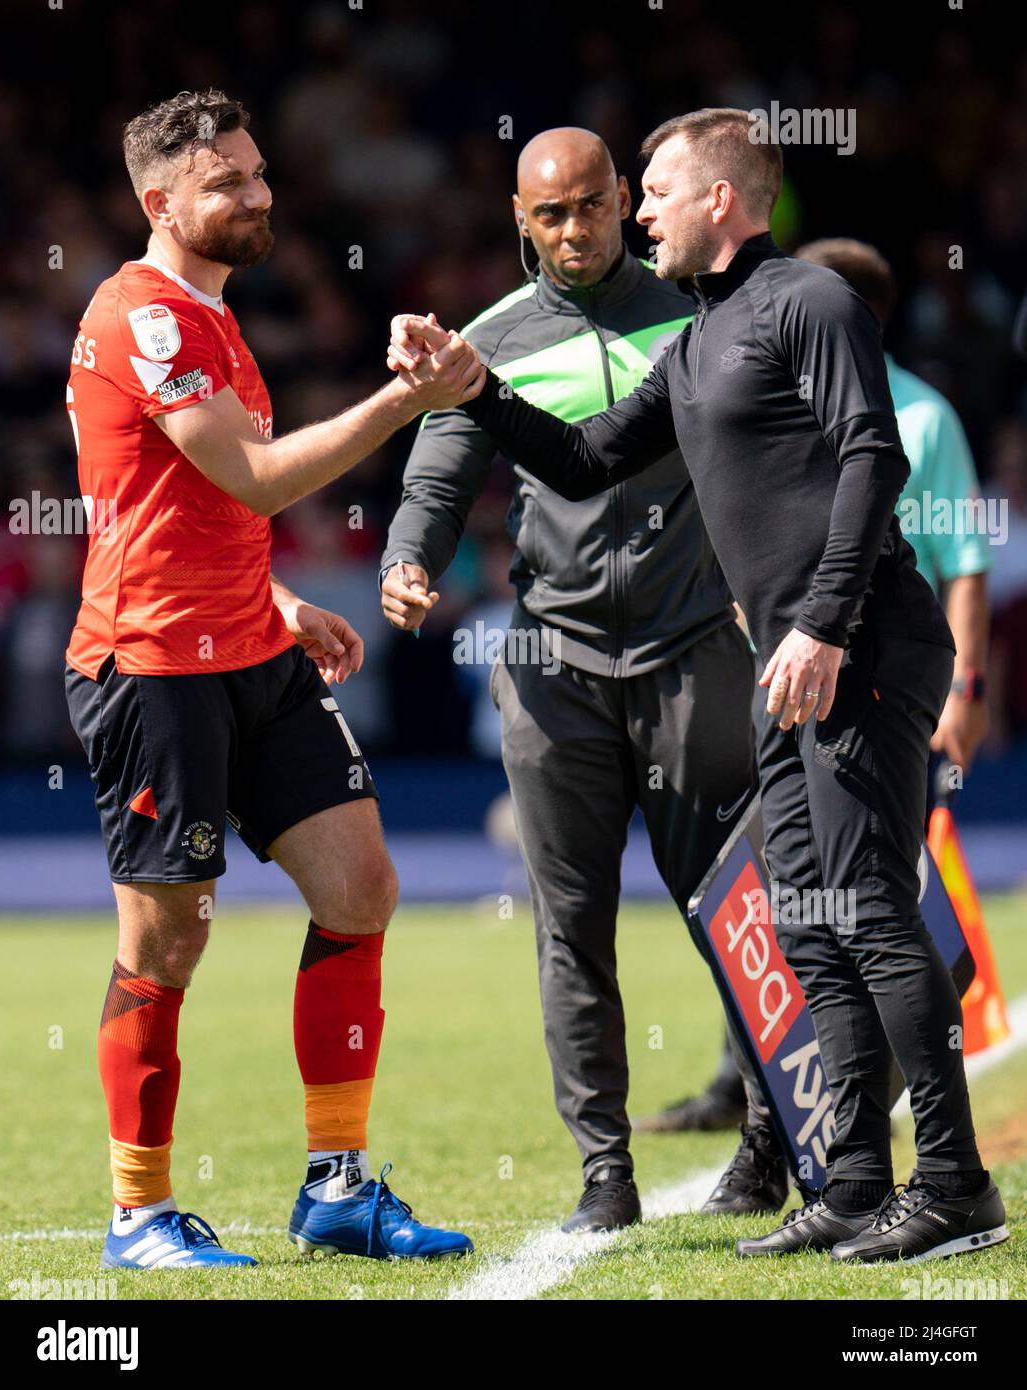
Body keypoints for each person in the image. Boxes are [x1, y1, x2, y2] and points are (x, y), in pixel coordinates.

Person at [387, 108, 1008, 1265]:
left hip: (856, 648)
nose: (640, 209)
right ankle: (852, 1184)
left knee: (867, 910)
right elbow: (576, 460)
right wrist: (472, 386)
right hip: (783, 669)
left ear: (721, 198)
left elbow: (870, 452)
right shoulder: (698, 341)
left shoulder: (809, 304)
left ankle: (955, 1185)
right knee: (803, 927)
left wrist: (823, 622)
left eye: (654, 188)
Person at [64, 87, 482, 1270]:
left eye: (255, 174)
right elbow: (250, 477)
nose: (255, 195)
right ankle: (138, 1214)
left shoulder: (212, 312)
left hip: (252, 649)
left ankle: (337, 1187)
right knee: (166, 946)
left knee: (359, 889)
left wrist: (285, 602)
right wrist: (411, 396)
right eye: (224, 183)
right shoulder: (146, 318)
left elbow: (182, 507)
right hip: (150, 669)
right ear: (160, 201)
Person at [380, 127, 786, 1232]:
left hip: (697, 651)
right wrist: (406, 556)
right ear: (520, 220)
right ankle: (603, 1176)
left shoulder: (698, 312)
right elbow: (439, 469)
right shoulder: (490, 340)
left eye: (592, 206)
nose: (572, 231)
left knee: (735, 910)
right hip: (553, 666)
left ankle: (764, 1138)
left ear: (622, 201)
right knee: (571, 927)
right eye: (548, 215)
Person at [652, 235, 994, 1136]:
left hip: (874, 650)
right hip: (791, 661)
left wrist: (968, 688)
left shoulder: (921, 419)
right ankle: (807, 1136)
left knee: (874, 901)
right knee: (797, 899)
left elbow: (961, 561)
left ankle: (941, 1164)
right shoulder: (768, 392)